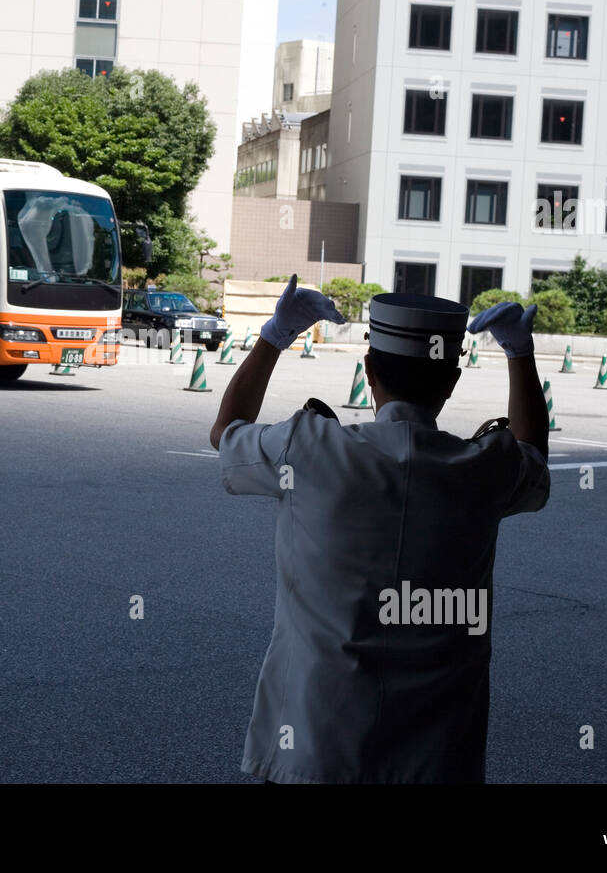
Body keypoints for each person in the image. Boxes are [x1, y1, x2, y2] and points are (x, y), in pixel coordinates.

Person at [210, 275, 551, 783]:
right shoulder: (485, 467)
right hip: (437, 759)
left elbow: (226, 432)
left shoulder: (306, 448)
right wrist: (519, 354)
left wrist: (275, 335)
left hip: (314, 749)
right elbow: (534, 457)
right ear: (452, 382)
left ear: (368, 370)